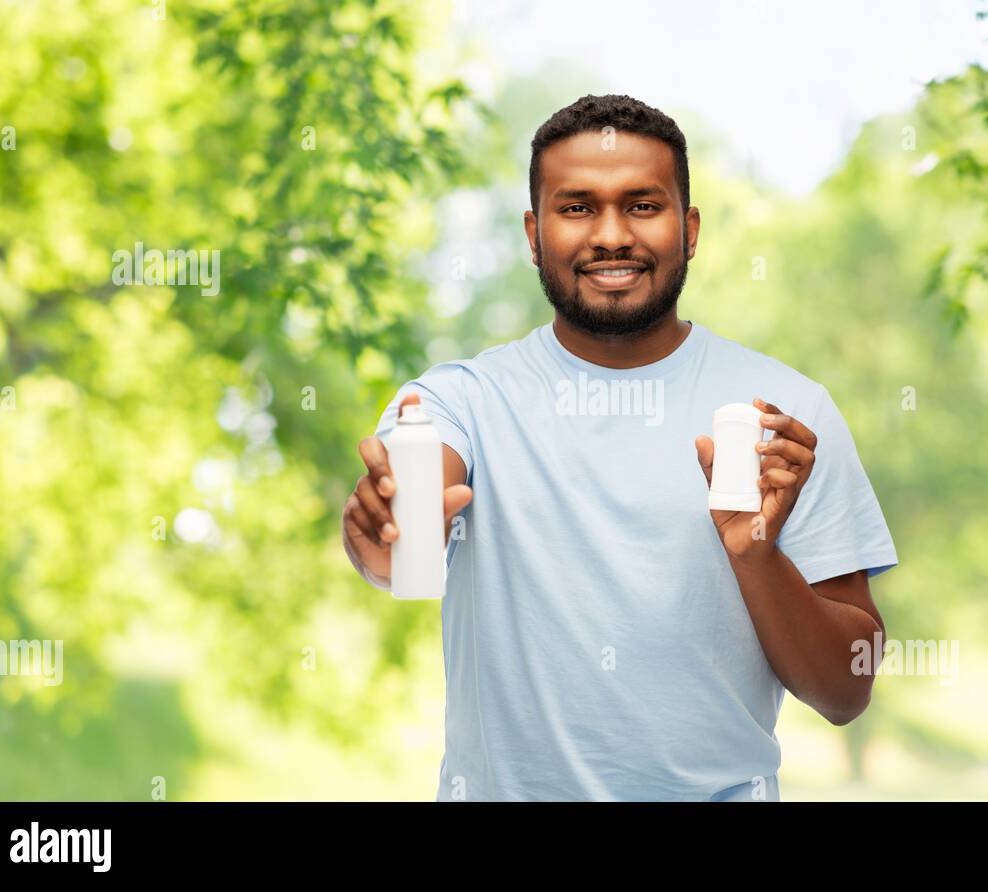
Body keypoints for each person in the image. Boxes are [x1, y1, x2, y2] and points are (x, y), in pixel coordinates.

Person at [341, 94, 898, 801]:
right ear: (534, 233)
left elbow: (846, 691)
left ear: (689, 229)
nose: (611, 235)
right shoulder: (459, 402)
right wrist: (380, 536)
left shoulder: (784, 419)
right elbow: (400, 526)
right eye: (576, 208)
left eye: (642, 205)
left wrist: (755, 551)